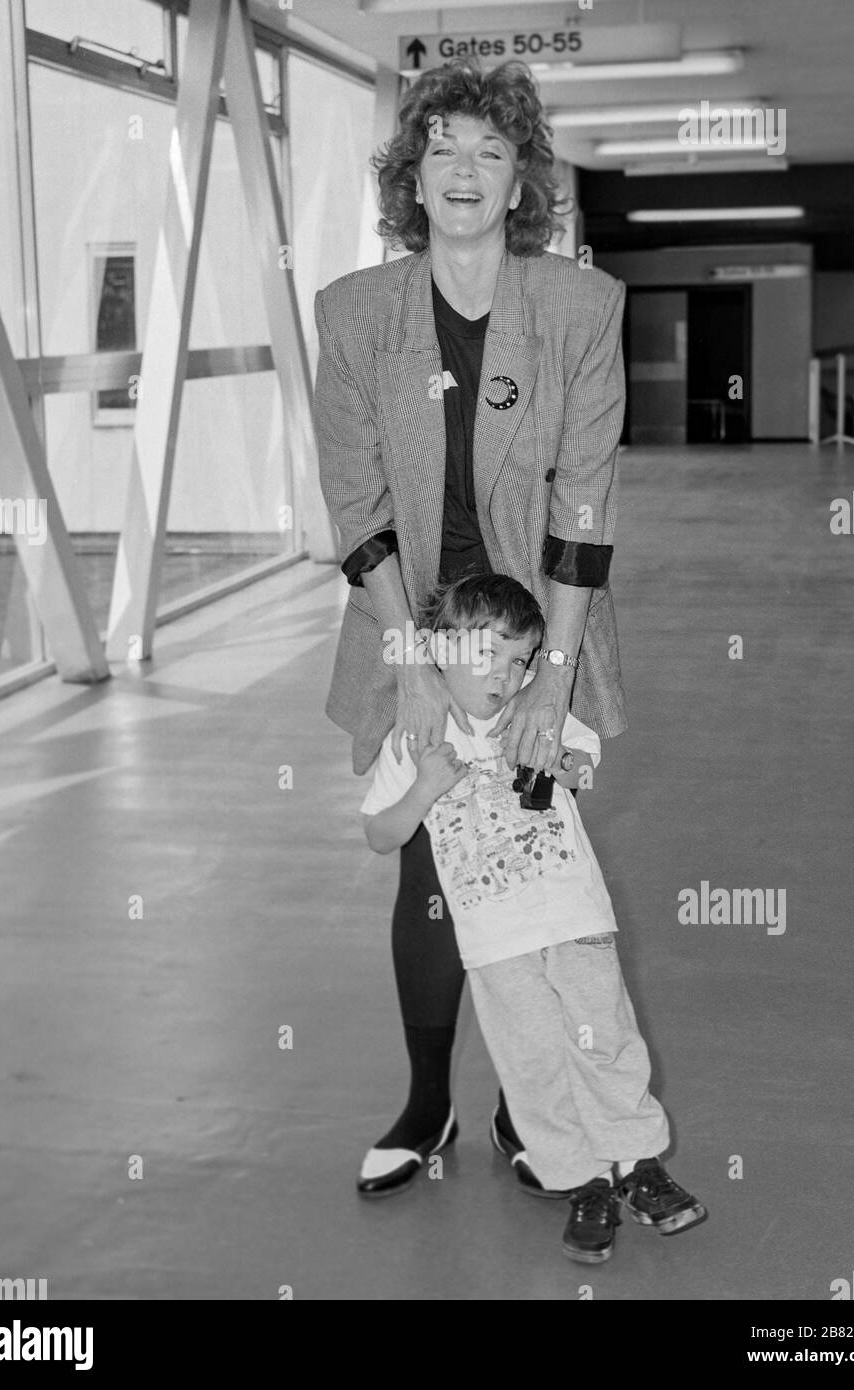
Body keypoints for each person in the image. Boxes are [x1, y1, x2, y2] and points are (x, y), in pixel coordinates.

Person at [313, 57, 628, 1196]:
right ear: (412, 172)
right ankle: (432, 1100)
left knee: (538, 868)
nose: (463, 169)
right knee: (435, 865)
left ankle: (533, 1111)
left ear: (518, 180)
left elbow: (585, 499)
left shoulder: (582, 307)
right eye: (441, 146)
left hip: (536, 614)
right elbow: (353, 501)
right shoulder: (353, 313)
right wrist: (411, 661)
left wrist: (548, 677)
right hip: (405, 615)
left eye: (489, 151)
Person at [359, 574, 707, 1262]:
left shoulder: (534, 714)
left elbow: (582, 766)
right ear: (436, 648)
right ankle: (581, 1182)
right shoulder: (414, 738)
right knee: (533, 1063)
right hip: (494, 942)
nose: (506, 674)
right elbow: (379, 833)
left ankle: (638, 1165)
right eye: (490, 655)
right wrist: (423, 789)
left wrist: (565, 761)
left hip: (574, 918)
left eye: (521, 660)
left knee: (604, 1039)